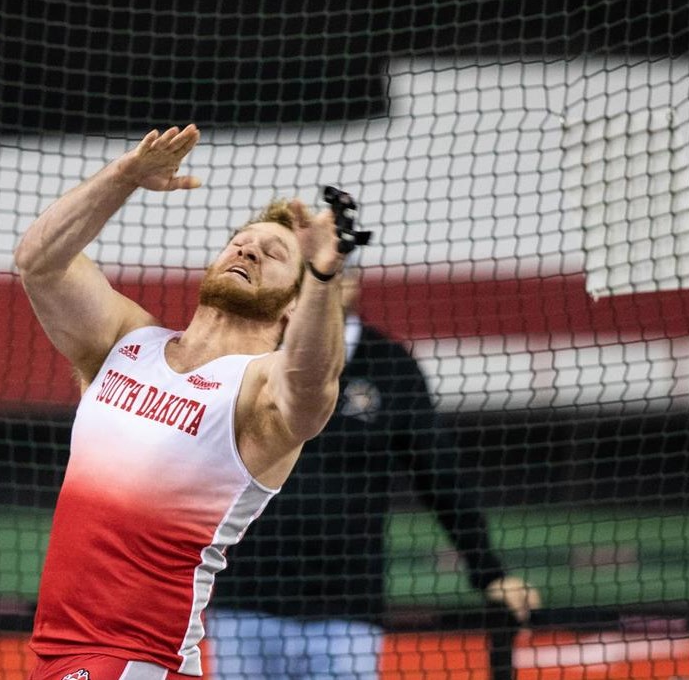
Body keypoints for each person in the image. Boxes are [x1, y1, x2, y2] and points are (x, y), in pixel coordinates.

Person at [15, 125, 354, 680]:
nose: (249, 248)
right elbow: (38, 262)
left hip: (136, 662)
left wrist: (322, 277)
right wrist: (125, 176)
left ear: (292, 308)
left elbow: (313, 383)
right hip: (58, 654)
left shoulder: (259, 388)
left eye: (273, 253)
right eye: (242, 239)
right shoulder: (125, 341)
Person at [208, 265, 542, 679]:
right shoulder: (253, 359)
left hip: (346, 612)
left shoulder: (390, 367)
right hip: (246, 602)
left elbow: (441, 478)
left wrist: (491, 572)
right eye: (317, 274)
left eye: (341, 272)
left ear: (357, 281)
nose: (331, 282)